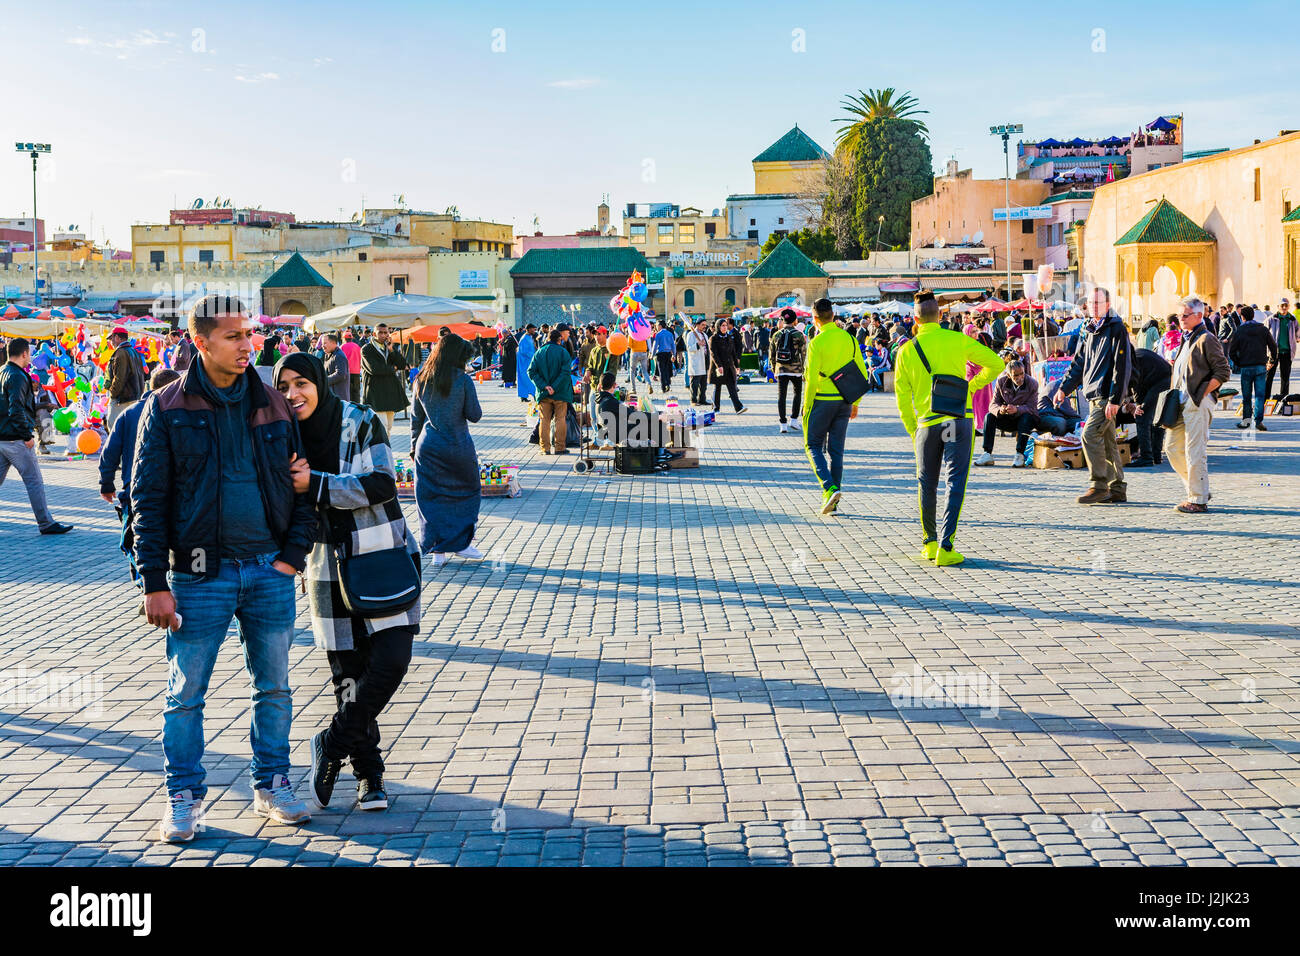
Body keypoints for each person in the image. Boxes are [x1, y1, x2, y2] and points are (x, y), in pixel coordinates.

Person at [131, 294, 316, 843]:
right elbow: (147, 497)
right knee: (186, 692)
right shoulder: (166, 408)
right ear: (201, 340)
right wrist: (154, 583)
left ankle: (273, 782)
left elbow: (301, 485)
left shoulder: (273, 404)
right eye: (235, 336)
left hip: (268, 570)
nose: (248, 345)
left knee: (276, 687)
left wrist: (291, 557)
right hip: (198, 573)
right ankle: (183, 796)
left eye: (250, 334)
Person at [274, 352, 419, 813]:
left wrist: (315, 485)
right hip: (322, 565)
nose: (293, 394)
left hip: (378, 554)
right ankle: (369, 775)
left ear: (320, 381)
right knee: (349, 677)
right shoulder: (281, 435)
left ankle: (331, 743)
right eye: (283, 387)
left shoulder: (359, 420)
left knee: (392, 658)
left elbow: (382, 483)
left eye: (301, 383)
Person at [895, 292, 1003, 565]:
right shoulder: (958, 339)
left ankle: (928, 543)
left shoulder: (906, 350)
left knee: (926, 483)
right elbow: (997, 363)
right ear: (941, 316)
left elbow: (902, 398)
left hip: (927, 424)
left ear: (915, 319)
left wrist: (912, 430)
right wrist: (971, 386)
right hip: (957, 419)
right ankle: (946, 546)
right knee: (955, 482)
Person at [1054, 287, 1132, 505]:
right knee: (1108, 443)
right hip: (1094, 395)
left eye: (1098, 303)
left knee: (1089, 435)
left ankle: (1098, 485)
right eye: (1091, 303)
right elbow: (1079, 363)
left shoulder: (1116, 328)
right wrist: (1064, 388)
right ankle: (1117, 488)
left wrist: (1116, 399)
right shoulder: (1089, 329)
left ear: (1107, 305)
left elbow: (1122, 366)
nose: (1093, 307)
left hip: (1107, 395)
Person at [412, 334, 484, 565]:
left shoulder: (421, 379)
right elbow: (475, 415)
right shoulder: (463, 380)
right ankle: (461, 543)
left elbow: (416, 418)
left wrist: (413, 447)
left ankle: (436, 549)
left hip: (428, 445)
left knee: (431, 496)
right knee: (466, 492)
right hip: (456, 445)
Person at [802, 298, 869, 515]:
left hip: (822, 400)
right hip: (844, 402)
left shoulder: (816, 343)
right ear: (833, 316)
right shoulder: (849, 338)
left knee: (812, 445)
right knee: (837, 451)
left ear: (815, 319)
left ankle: (828, 487)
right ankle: (833, 500)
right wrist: (855, 402)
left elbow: (811, 380)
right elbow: (863, 372)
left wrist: (807, 406)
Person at [0, 338, 73, 536]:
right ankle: (45, 523)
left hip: (2, 437)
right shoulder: (17, 376)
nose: (29, 358)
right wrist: (26, 435)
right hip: (16, 439)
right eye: (29, 354)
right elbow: (15, 407)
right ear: (24, 353)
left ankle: (46, 522)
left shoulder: (2, 372)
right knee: (34, 482)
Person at [1165, 296, 1230, 514]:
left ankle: (1198, 498)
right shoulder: (1187, 337)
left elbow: (1223, 371)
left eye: (1185, 315)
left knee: (1195, 451)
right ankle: (1198, 489)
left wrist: (1201, 393)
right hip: (1181, 403)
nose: (1180, 319)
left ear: (1199, 316)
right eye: (1179, 316)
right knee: (1172, 448)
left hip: (1197, 402)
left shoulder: (1206, 338)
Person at [974, 359, 1038, 467]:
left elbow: (1032, 408)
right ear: (1008, 375)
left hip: (1024, 420)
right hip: (1007, 417)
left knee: (1026, 417)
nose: (1020, 378)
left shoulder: (1032, 383)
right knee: (989, 416)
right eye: (1015, 375)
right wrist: (1000, 410)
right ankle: (987, 453)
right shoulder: (1001, 382)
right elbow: (993, 404)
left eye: (1022, 374)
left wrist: (1017, 409)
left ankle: (1020, 454)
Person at [1118, 348, 1172, 466]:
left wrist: (1138, 405)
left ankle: (1146, 457)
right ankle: (1156, 456)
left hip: (1159, 381)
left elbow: (1135, 386)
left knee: (1141, 417)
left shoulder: (1129, 363)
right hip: (1162, 378)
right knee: (1156, 419)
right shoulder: (1132, 357)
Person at [1229, 306, 1277, 430]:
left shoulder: (1240, 330)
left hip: (1246, 367)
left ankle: (1246, 421)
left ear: (1242, 317)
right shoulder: (1263, 329)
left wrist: (1239, 363)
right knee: (1260, 395)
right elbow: (1273, 347)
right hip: (1260, 366)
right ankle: (1259, 421)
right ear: (1253, 316)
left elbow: (1232, 352)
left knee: (1246, 396)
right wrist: (1271, 360)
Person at [528, 328, 575, 455]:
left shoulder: (539, 352)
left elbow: (531, 371)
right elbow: (565, 372)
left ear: (548, 338)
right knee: (560, 419)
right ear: (559, 340)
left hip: (544, 393)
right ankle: (560, 447)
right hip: (560, 392)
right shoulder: (563, 352)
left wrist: (545, 386)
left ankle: (545, 448)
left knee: (544, 420)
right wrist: (554, 386)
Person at [360, 322, 410, 435]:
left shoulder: (389, 347)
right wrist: (393, 369)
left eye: (385, 332)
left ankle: (385, 451)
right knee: (381, 428)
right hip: (376, 394)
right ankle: (382, 452)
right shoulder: (366, 349)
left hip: (390, 393)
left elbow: (402, 365)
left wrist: (392, 349)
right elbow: (374, 369)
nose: (383, 335)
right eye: (380, 333)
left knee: (388, 427)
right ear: (374, 333)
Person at [769, 309, 807, 434]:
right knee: (797, 394)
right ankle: (794, 420)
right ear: (795, 320)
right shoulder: (799, 334)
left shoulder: (776, 335)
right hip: (796, 369)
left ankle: (783, 423)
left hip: (781, 369)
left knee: (782, 396)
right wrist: (804, 370)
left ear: (782, 320)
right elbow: (803, 353)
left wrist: (774, 368)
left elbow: (772, 354)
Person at [105, 326, 147, 428]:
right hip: (135, 396)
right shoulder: (134, 351)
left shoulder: (120, 353)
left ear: (118, 338)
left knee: (114, 428)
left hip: (123, 398)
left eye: (112, 339)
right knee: (130, 429)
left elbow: (119, 378)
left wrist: (112, 393)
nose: (111, 342)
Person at [708, 318, 746, 414]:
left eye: (725, 325)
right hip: (718, 367)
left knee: (732, 387)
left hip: (729, 367)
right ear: (718, 327)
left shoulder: (729, 337)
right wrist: (719, 365)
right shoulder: (714, 338)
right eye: (722, 326)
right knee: (717, 387)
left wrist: (737, 366)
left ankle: (738, 407)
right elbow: (713, 353)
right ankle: (716, 408)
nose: (725, 327)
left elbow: (733, 353)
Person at [1266, 298, 1295, 400]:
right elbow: (1264, 333)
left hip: (1287, 352)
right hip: (1273, 353)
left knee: (1285, 378)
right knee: (1268, 377)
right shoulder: (1271, 319)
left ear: (1288, 306)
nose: (1284, 307)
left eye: (1286, 305)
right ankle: (1265, 400)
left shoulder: (1292, 319)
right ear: (1278, 307)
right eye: (1282, 305)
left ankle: (1284, 400)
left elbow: (1297, 333)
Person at [684, 318, 710, 406]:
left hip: (704, 361)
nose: (704, 327)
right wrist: (698, 344)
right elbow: (689, 348)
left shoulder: (705, 335)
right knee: (695, 384)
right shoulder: (691, 334)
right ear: (697, 325)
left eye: (705, 325)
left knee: (703, 384)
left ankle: (702, 399)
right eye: (702, 325)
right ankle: (693, 400)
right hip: (696, 362)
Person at [321, 333, 350, 401]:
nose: (323, 346)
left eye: (325, 343)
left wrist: (324, 380)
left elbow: (341, 374)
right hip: (331, 395)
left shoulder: (339, 356)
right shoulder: (329, 355)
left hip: (339, 396)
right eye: (322, 343)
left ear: (334, 343)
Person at [652, 319, 677, 394]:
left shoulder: (658, 334)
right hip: (668, 354)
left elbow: (655, 345)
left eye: (657, 326)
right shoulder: (670, 334)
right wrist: (674, 354)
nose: (656, 327)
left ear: (660, 326)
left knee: (661, 371)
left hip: (660, 354)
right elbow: (673, 345)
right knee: (668, 370)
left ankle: (663, 388)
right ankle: (668, 384)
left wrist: (652, 354)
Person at [516, 324, 538, 402]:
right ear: (528, 329)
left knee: (526, 378)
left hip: (528, 362)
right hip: (524, 363)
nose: (534, 331)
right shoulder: (524, 338)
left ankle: (524, 395)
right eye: (533, 329)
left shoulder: (529, 338)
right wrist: (534, 356)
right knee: (526, 378)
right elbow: (524, 351)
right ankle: (533, 394)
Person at [340, 330, 363, 404]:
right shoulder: (357, 346)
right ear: (351, 338)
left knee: (348, 392)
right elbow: (360, 359)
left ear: (344, 338)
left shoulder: (342, 347)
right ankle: (358, 407)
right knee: (356, 392)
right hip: (356, 372)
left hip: (347, 372)